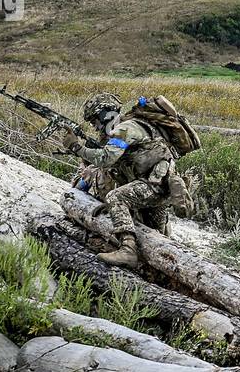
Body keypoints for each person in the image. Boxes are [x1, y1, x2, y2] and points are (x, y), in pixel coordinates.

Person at [60, 92, 182, 267]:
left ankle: (128, 250)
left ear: (104, 114)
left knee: (115, 197)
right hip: (158, 184)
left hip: (153, 186)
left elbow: (106, 159)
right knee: (157, 234)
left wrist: (76, 146)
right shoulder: (127, 127)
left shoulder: (126, 128)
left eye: (95, 121)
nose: (95, 127)